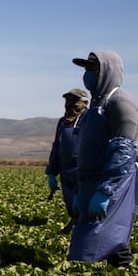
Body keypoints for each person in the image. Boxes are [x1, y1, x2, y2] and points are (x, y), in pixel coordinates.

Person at [68, 51, 138, 267]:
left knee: (104, 237)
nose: (87, 74)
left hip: (113, 181)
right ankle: (118, 272)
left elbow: (123, 150)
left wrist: (106, 190)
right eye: (86, 69)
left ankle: (120, 273)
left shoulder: (120, 103)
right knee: (105, 237)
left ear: (108, 71)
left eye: (93, 69)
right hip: (90, 181)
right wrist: (79, 189)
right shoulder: (95, 106)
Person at [46, 87, 89, 233]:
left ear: (85, 103)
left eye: (74, 103)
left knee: (83, 202)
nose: (70, 107)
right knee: (70, 203)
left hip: (83, 168)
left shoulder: (89, 120)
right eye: (68, 103)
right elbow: (56, 147)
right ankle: (75, 224)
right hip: (65, 170)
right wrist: (52, 172)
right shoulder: (63, 122)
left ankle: (82, 230)